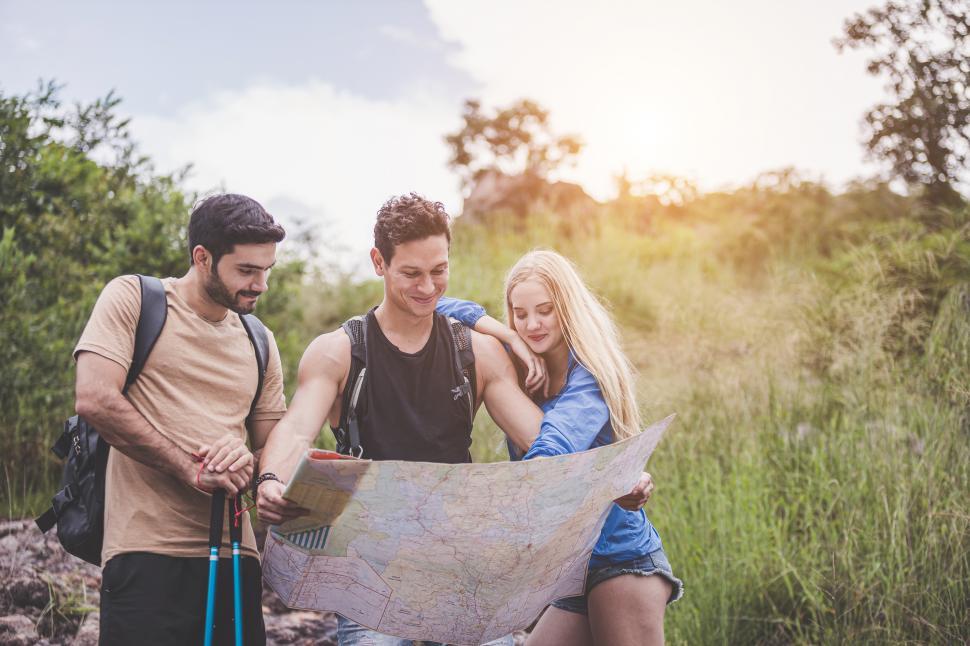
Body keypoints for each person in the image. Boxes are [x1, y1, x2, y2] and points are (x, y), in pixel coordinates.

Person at [255, 194, 651, 646]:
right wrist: (271, 479)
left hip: (460, 563)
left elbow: (548, 445)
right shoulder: (339, 351)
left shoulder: (477, 352)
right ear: (378, 262)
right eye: (412, 273)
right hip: (368, 569)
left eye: (439, 271)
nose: (428, 287)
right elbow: (297, 428)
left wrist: (616, 477)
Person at [436, 250, 683, 646]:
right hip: (573, 570)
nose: (532, 324)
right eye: (520, 314)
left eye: (545, 311)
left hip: (621, 562)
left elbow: (553, 449)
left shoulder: (589, 375)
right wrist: (505, 335)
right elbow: (435, 305)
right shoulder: (522, 363)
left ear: (565, 308)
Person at [73, 194, 287, 645]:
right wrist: (190, 469)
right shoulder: (135, 298)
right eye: (247, 270)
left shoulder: (259, 338)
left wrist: (249, 463)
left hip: (236, 556)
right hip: (144, 552)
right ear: (202, 257)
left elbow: (274, 447)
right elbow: (94, 398)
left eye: (266, 269)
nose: (260, 284)